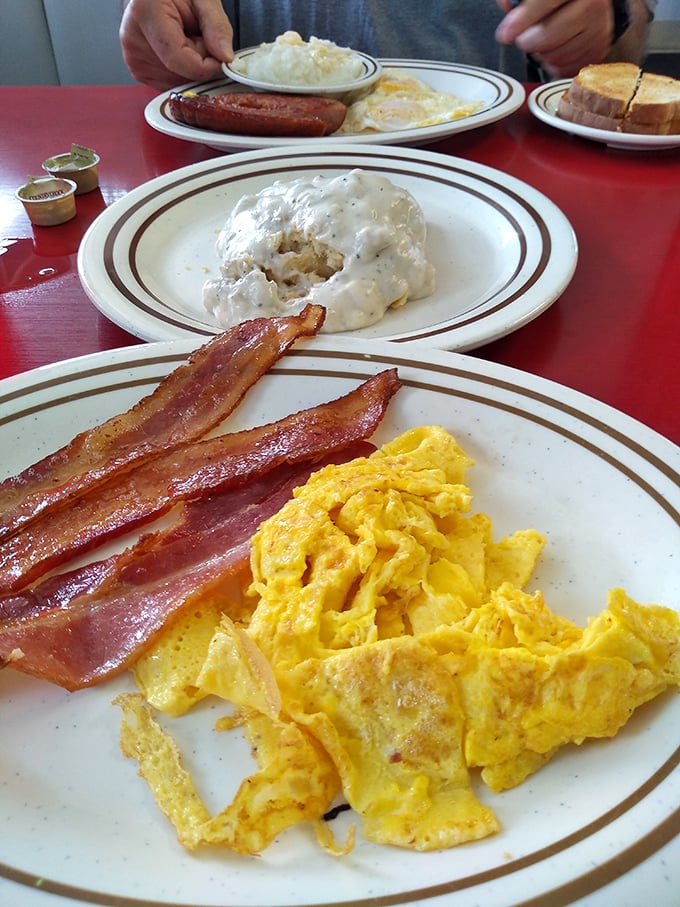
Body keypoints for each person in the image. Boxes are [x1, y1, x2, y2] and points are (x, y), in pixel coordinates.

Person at [120, 0, 655, 91]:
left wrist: (610, 24)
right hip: (232, 170)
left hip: (488, 170)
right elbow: (174, 26)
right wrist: (165, 40)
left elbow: (621, 56)